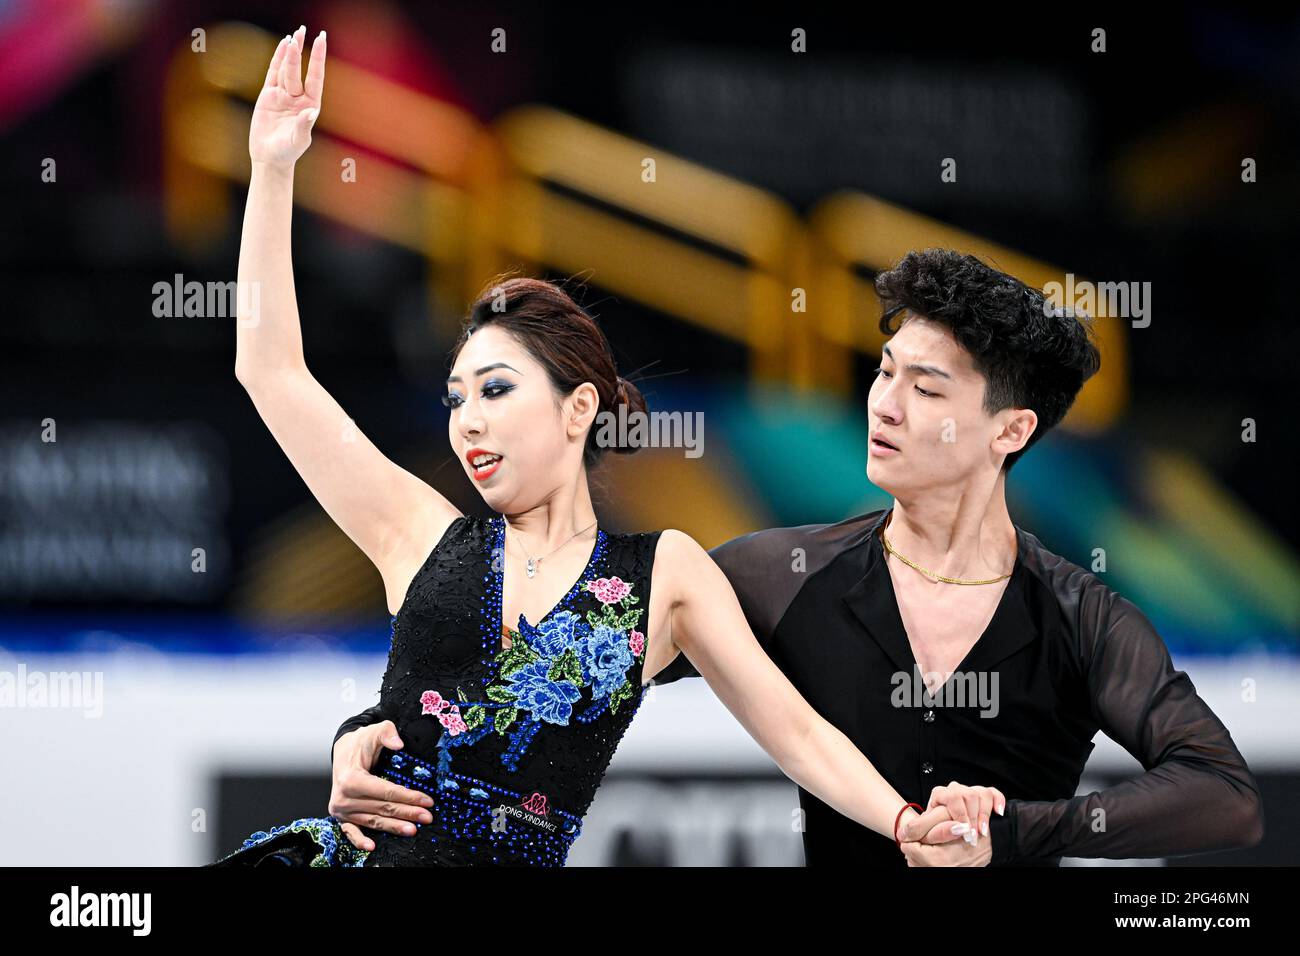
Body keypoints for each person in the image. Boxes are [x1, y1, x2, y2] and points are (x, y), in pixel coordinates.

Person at [209, 26, 988, 867]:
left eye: (497, 390)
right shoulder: (417, 531)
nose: (467, 418)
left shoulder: (667, 574)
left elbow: (796, 731)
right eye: (456, 397)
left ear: (579, 408)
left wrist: (906, 823)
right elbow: (271, 372)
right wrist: (275, 167)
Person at [618, 249, 1266, 865]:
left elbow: (1224, 797)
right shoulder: (780, 573)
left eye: (926, 391)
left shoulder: (1081, 618)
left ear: (1011, 430)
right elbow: (582, 656)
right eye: (884, 370)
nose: (884, 405)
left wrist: (1009, 831)